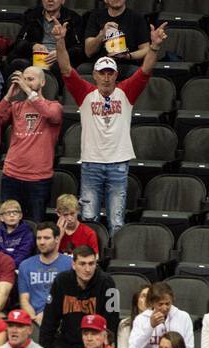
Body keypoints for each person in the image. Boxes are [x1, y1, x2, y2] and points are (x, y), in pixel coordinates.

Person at [52, 18, 165, 233]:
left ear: (116, 75)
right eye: (101, 73)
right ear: (94, 75)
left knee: (116, 221)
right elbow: (66, 68)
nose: (105, 78)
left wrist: (155, 46)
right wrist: (59, 41)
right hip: (91, 163)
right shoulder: (85, 93)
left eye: (109, 73)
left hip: (118, 163)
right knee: (88, 218)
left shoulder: (126, 92)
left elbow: (146, 70)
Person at [0, 67, 61, 223]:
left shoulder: (54, 105)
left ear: (42, 82)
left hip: (38, 179)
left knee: (35, 225)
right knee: (8, 225)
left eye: (30, 79)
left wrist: (27, 91)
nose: (26, 83)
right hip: (12, 175)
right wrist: (8, 96)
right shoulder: (16, 106)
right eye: (24, 79)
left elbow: (50, 115)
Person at [40, 246, 117, 348]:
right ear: (74, 265)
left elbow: (112, 320)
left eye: (91, 264)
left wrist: (106, 347)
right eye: (82, 264)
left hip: (95, 343)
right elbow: (49, 319)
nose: (87, 269)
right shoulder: (61, 281)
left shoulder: (108, 283)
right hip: (67, 342)